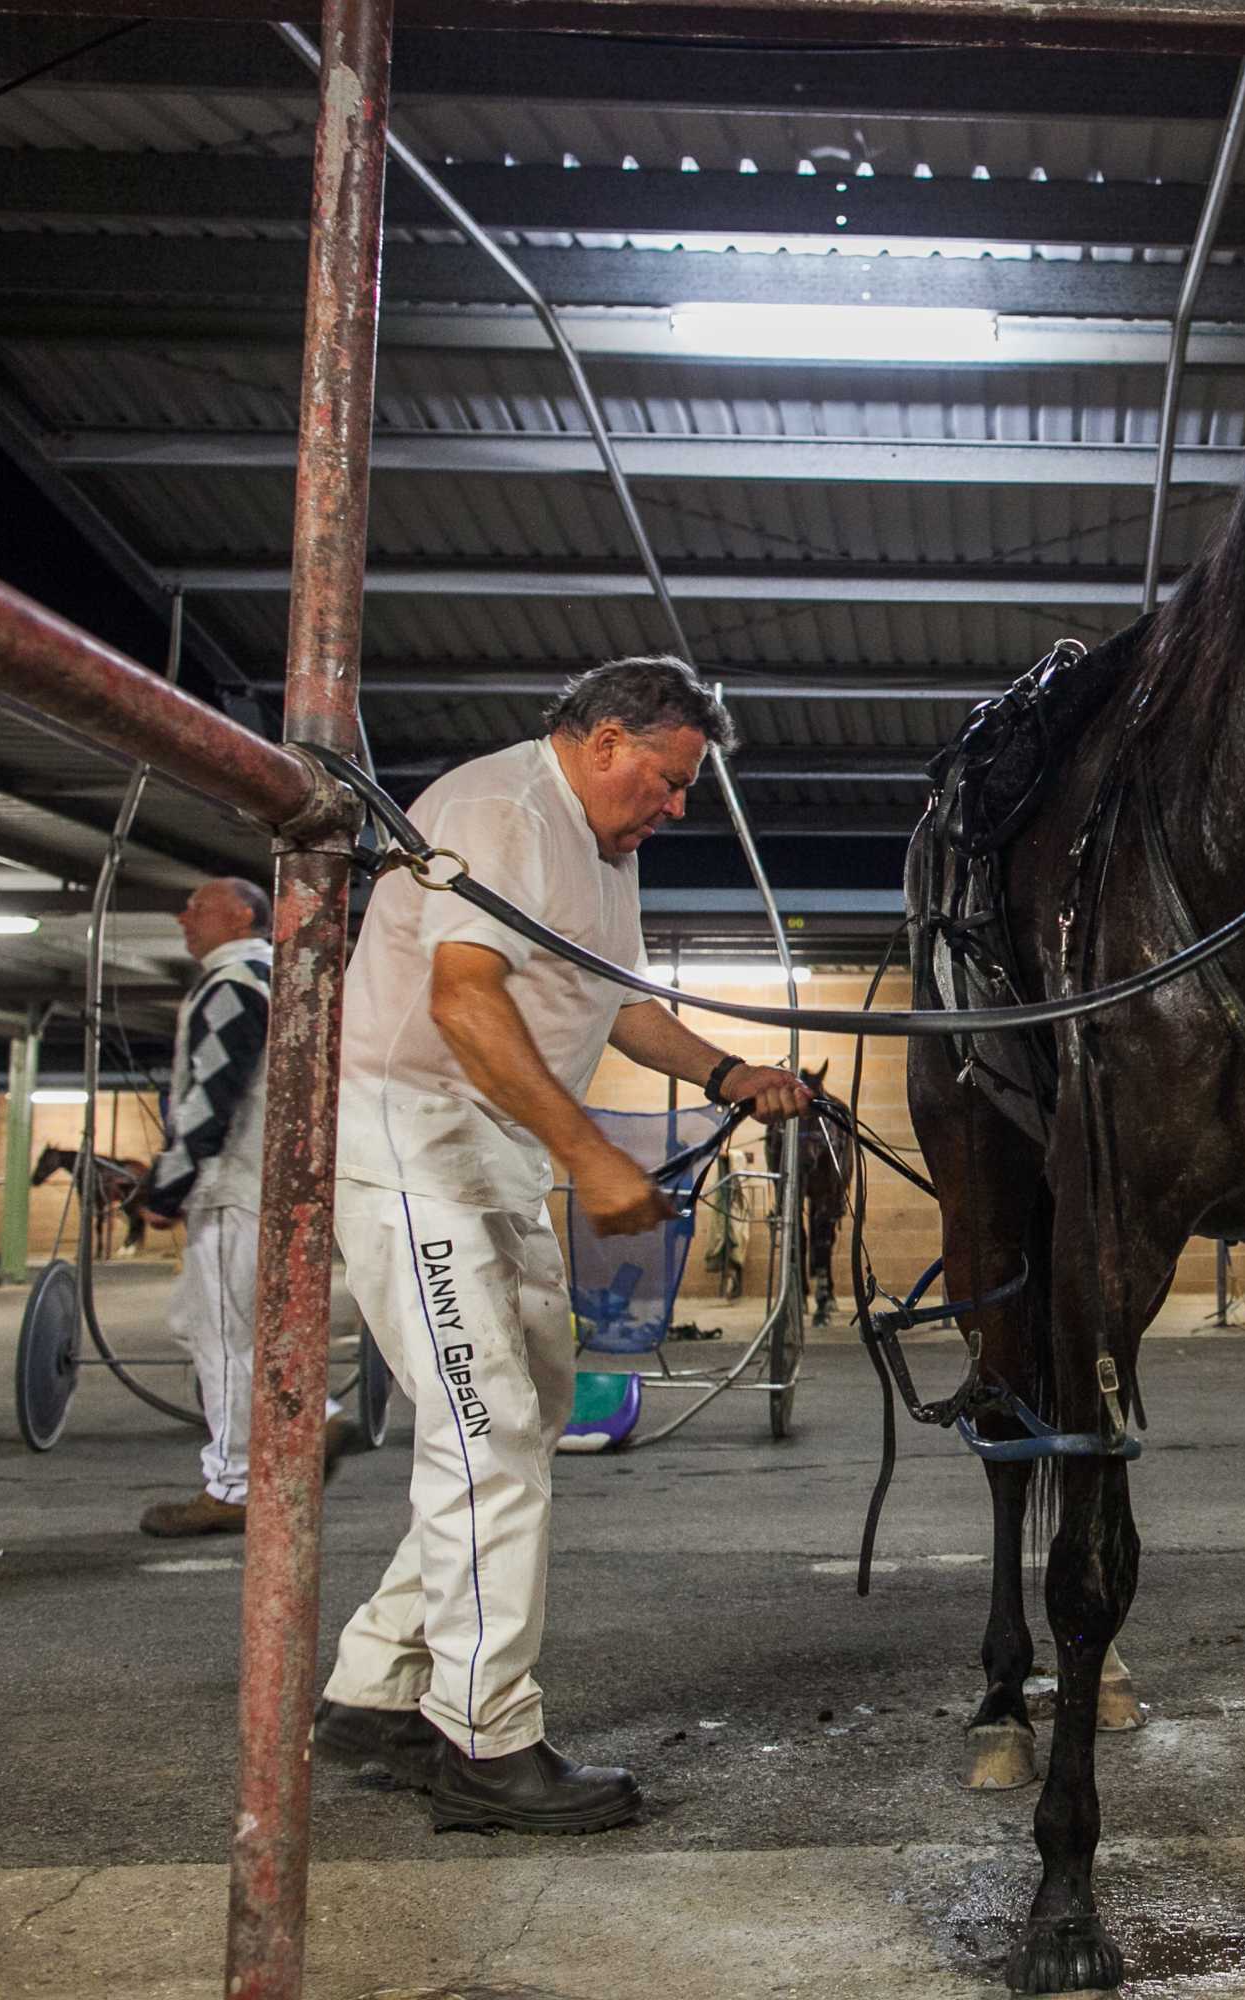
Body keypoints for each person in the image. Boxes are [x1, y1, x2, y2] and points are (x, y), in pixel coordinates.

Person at [311, 656, 810, 1837]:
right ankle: (486, 1743)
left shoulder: (601, 853)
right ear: (601, 740)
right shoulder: (502, 810)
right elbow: (464, 1001)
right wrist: (592, 1155)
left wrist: (730, 1071)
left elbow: (617, 1004)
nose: (677, 805)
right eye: (669, 778)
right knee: (486, 1438)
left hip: (492, 1162)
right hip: (418, 1157)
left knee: (522, 1417)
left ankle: (375, 1687)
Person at [137, 876, 284, 1537]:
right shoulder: (286, 978)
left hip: (234, 1187)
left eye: (197, 906)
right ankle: (304, 1441)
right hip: (279, 1188)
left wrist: (166, 1188)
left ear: (243, 913)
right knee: (259, 1334)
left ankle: (233, 1485)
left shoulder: (233, 983)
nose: (181, 916)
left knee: (220, 1335)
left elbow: (209, 1094)